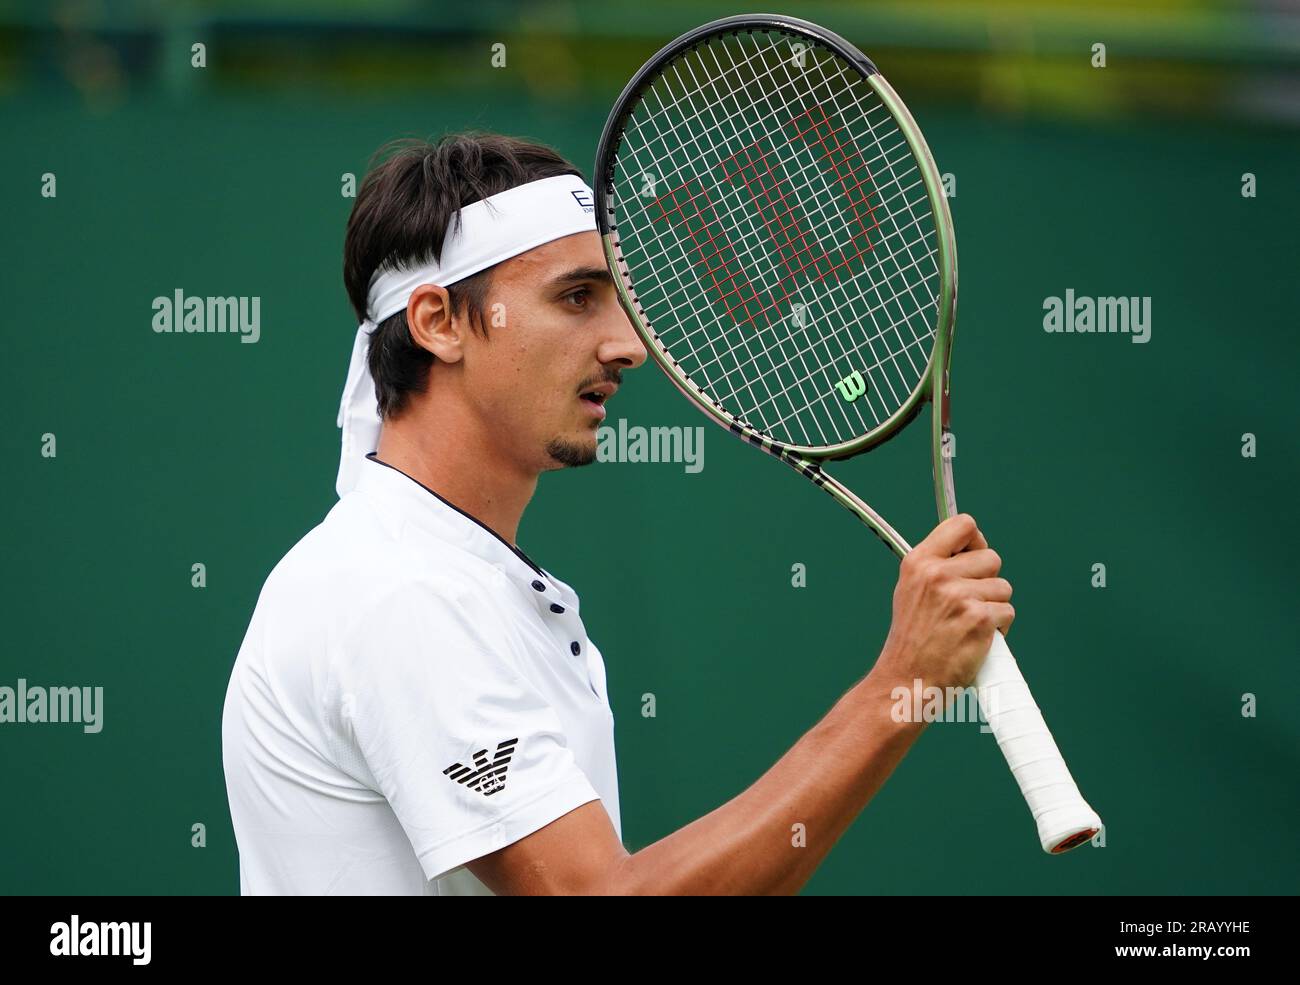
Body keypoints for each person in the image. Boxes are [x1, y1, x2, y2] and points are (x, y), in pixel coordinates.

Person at [220, 132, 1014, 895]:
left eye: (620, 298)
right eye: (576, 298)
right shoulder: (401, 593)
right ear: (439, 323)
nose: (629, 344)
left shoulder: (453, 580)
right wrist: (900, 683)